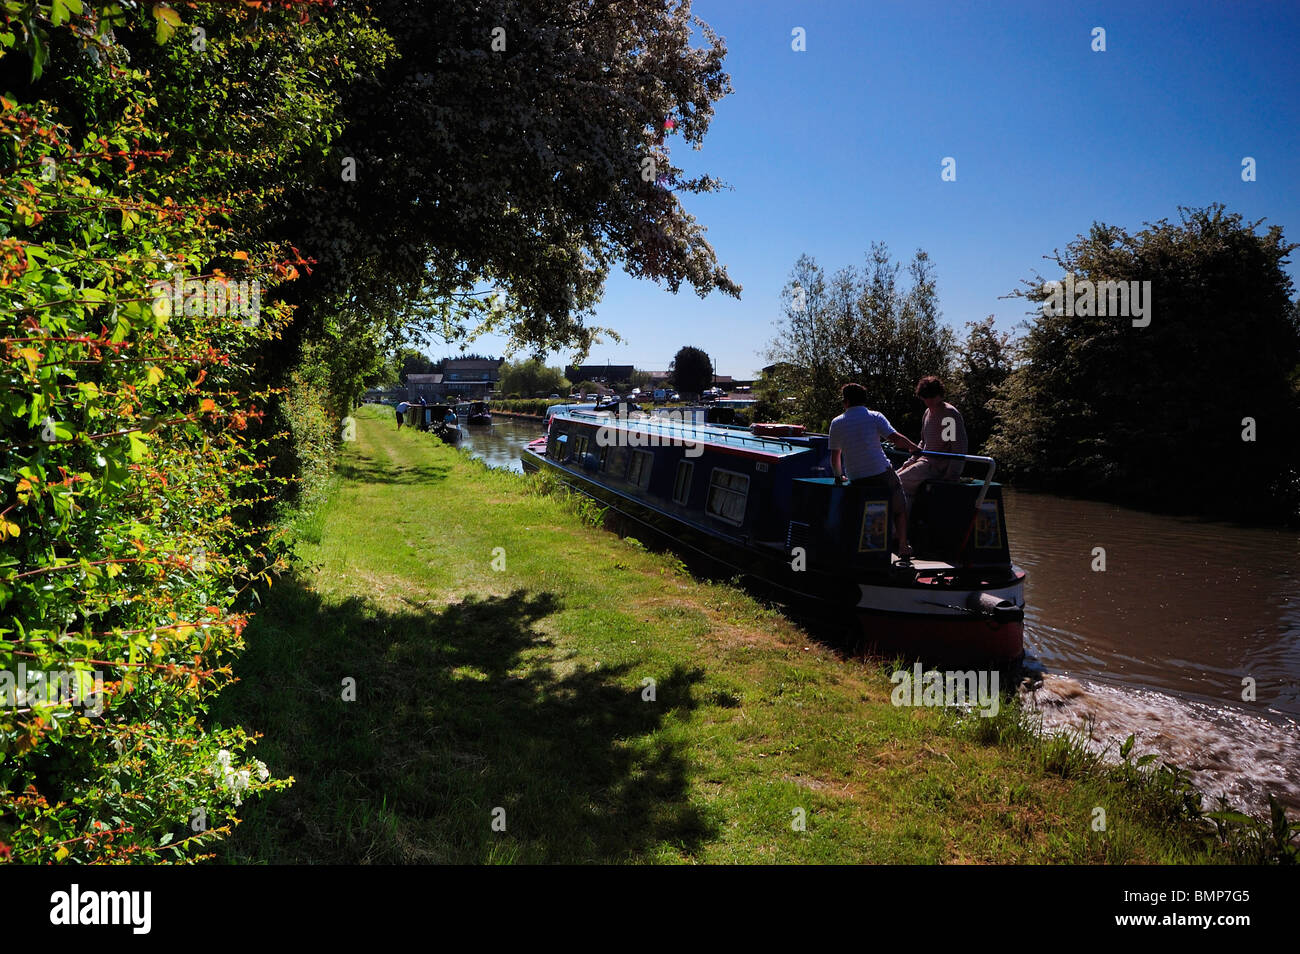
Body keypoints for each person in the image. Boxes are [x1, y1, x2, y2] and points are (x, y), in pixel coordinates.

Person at [828, 383, 922, 560]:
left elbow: (835, 458)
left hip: (856, 477)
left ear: (845, 402)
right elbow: (895, 439)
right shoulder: (875, 417)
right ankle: (903, 546)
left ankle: (863, 545)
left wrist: (838, 477)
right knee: (899, 509)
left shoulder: (837, 422)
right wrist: (913, 447)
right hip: (880, 472)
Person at [896, 376, 968, 508]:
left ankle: (902, 525)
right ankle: (907, 522)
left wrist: (951, 475)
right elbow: (923, 442)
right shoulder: (927, 413)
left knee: (897, 482)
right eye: (925, 397)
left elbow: (957, 447)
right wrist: (910, 462)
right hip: (924, 462)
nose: (928, 400)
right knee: (894, 476)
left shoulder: (948, 414)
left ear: (939, 395)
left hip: (936, 466)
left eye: (932, 397)